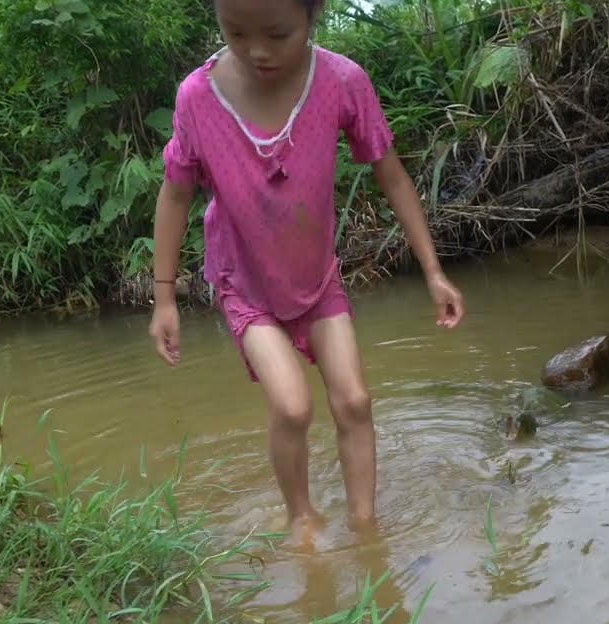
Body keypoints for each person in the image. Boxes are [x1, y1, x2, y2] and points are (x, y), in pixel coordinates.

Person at [148, 0, 465, 546]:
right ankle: (300, 518)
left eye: (277, 34)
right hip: (244, 284)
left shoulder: (341, 81)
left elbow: (390, 175)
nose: (256, 51)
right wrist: (164, 298)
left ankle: (365, 528)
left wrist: (433, 272)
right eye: (235, 32)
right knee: (293, 407)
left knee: (355, 402)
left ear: (313, 14)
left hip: (316, 278)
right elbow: (175, 194)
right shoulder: (198, 97)